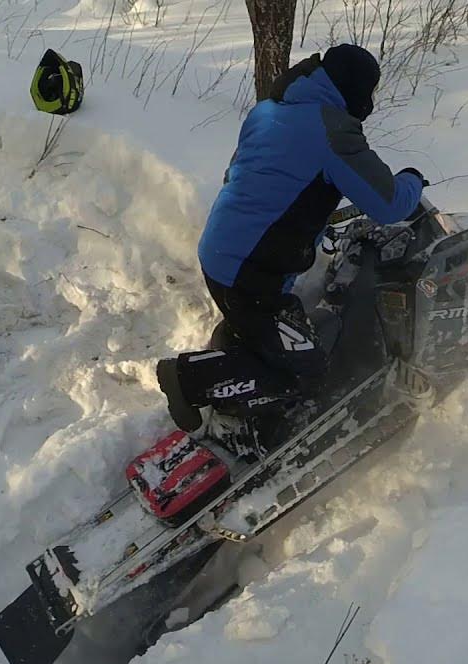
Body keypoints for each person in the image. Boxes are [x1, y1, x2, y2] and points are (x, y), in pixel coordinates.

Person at [156, 45, 427, 432]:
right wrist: (413, 178)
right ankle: (189, 380)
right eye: (370, 91)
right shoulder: (334, 131)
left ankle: (240, 348)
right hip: (251, 273)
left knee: (264, 326)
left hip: (221, 253)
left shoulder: (268, 110)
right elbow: (390, 204)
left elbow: (250, 175)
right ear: (354, 89)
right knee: (308, 370)